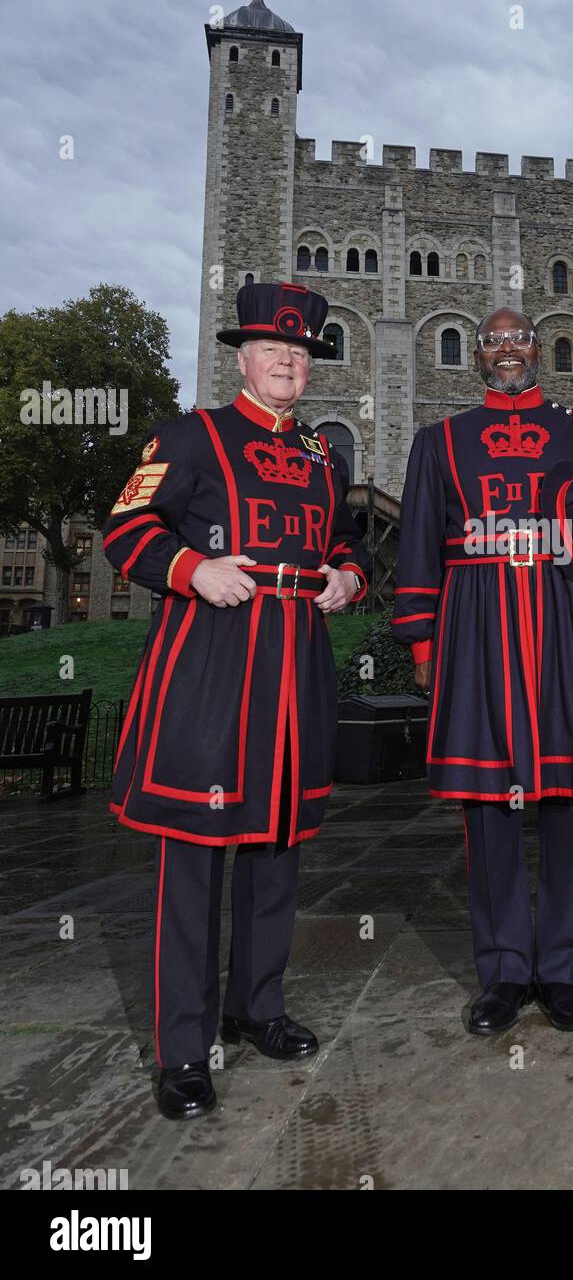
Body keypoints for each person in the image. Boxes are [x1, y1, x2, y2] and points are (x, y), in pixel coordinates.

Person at [104, 281, 369, 1119]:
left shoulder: (328, 457)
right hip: (209, 662)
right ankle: (184, 1049)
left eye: (302, 354)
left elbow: (345, 536)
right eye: (275, 350)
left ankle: (257, 1006)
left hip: (296, 662)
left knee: (277, 847)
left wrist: (349, 575)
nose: (289, 362)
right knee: (192, 858)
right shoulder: (189, 436)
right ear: (244, 358)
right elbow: (125, 527)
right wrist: (190, 569)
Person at [392, 308, 573, 1034]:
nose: (506, 350)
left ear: (539, 349)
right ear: (476, 355)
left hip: (569, 616)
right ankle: (505, 971)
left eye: (518, 339)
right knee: (489, 809)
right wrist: (423, 648)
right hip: (476, 628)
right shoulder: (438, 443)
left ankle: (567, 970)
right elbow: (417, 550)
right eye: (493, 340)